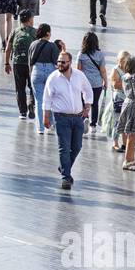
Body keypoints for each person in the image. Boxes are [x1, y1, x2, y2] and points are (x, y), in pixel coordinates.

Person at [43, 48, 93, 190]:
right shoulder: (53, 78)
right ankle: (66, 177)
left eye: (63, 62)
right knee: (64, 148)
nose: (60, 64)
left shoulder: (79, 75)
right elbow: (46, 99)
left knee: (77, 147)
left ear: (70, 63)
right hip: (61, 118)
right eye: (58, 62)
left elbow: (88, 91)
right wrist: (46, 117)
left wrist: (87, 107)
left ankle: (64, 167)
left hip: (78, 117)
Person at [4, 9, 40, 120]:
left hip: (17, 63)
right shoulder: (36, 32)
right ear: (30, 19)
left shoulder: (15, 31)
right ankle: (31, 103)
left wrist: (6, 63)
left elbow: (8, 49)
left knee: (20, 88)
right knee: (32, 86)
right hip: (32, 64)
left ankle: (22, 112)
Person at [77, 31, 108, 133]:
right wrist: (105, 81)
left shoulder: (81, 54)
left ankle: (83, 118)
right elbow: (103, 70)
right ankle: (93, 125)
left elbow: (78, 70)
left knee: (83, 102)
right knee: (94, 103)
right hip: (96, 83)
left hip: (84, 83)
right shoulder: (100, 55)